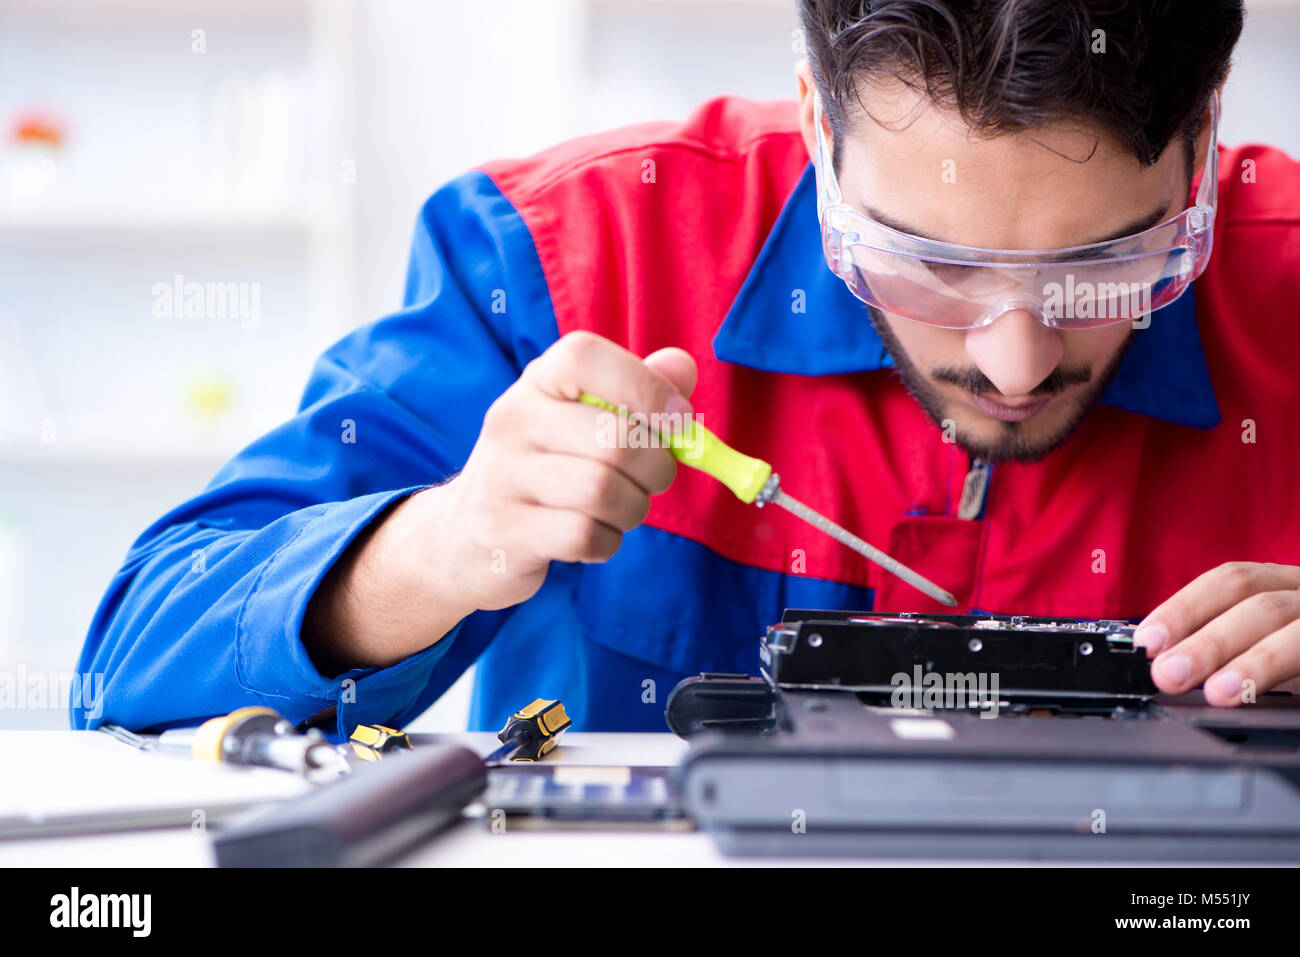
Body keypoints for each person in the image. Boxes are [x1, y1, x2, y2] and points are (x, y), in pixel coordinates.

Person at [74, 0, 1300, 741]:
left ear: (1202, 139)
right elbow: (131, 662)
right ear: (819, 124)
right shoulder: (559, 252)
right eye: (930, 265)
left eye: (1107, 266)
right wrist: (444, 544)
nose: (1017, 360)